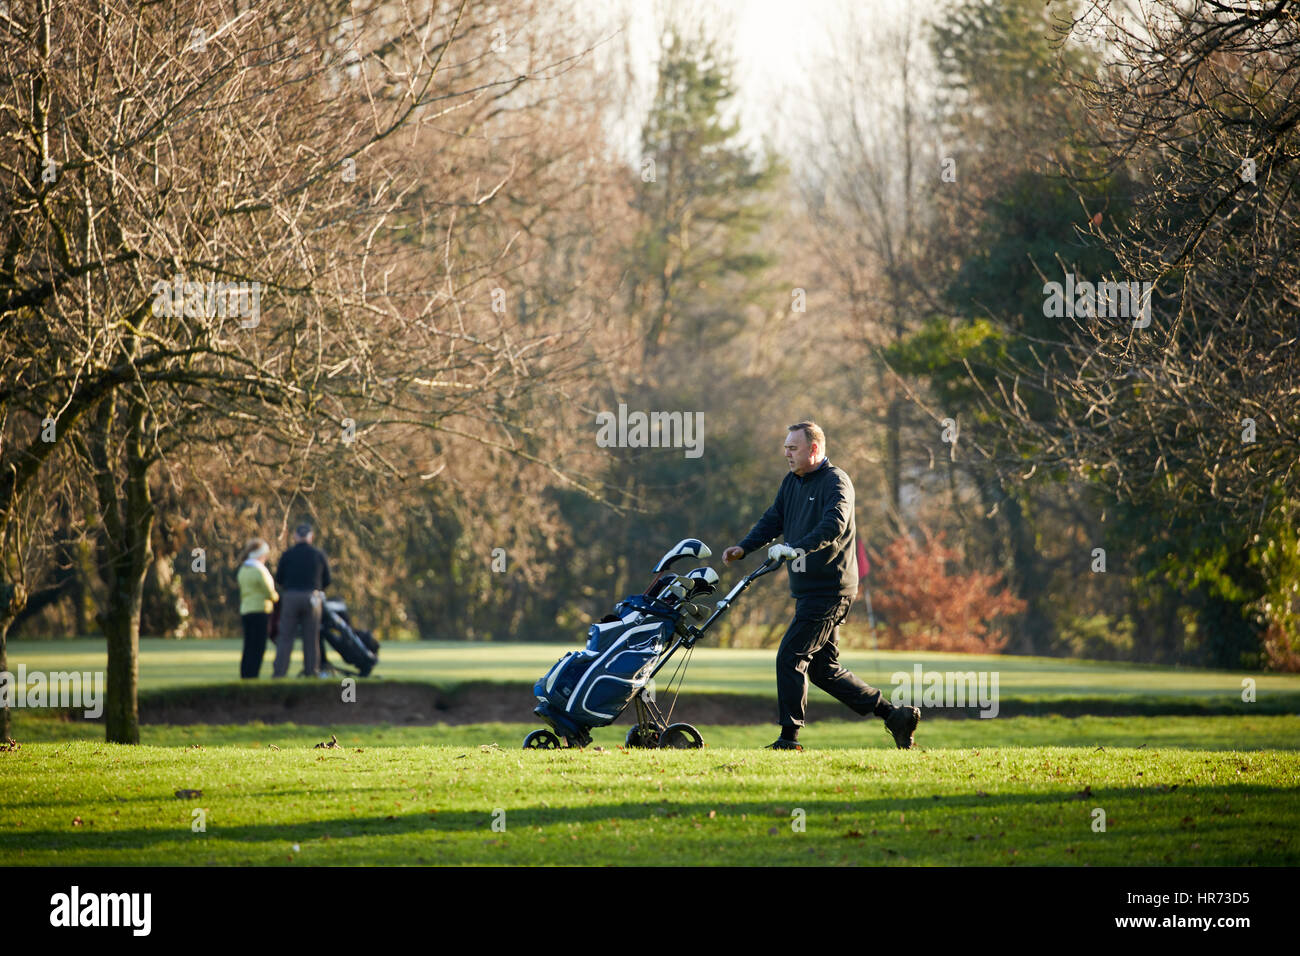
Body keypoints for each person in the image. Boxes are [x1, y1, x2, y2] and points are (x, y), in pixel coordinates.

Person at [722, 421, 920, 750]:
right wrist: (745, 547)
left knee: (790, 657)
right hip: (808, 590)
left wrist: (797, 547)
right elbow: (774, 519)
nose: (786, 453)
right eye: (785, 447)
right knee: (824, 670)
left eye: (792, 447)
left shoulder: (836, 481)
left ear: (814, 449)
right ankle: (893, 716)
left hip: (831, 590)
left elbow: (834, 525)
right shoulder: (791, 482)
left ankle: (789, 739)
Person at [273, 522, 332, 678]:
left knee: (285, 637)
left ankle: (279, 673)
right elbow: (327, 579)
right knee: (311, 638)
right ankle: (311, 672)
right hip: (312, 597)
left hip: (291, 596)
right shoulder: (319, 554)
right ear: (310, 537)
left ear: (295, 536)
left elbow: (278, 578)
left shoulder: (288, 554)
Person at [237, 538, 279, 679]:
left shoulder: (243, 569)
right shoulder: (260, 571)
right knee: (258, 647)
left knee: (248, 646)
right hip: (260, 611)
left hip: (246, 611)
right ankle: (253, 675)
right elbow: (269, 592)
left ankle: (245, 675)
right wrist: (277, 598)